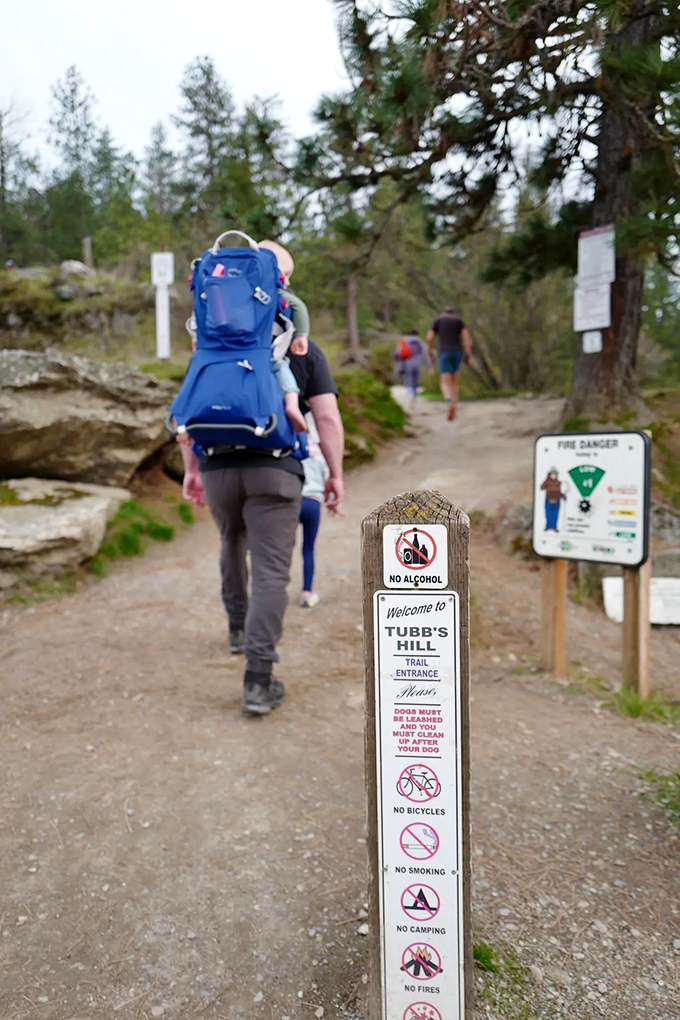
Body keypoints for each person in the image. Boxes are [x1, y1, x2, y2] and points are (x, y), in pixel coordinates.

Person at [179, 339, 345, 716]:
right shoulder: (301, 348)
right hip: (275, 468)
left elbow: (189, 413)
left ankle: (238, 629)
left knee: (231, 540)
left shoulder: (211, 343)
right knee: (271, 571)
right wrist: (335, 473)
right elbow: (327, 417)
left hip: (217, 468)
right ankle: (257, 680)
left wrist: (191, 470)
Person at [259, 239, 311, 433]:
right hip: (263, 355)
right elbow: (298, 306)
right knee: (280, 366)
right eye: (285, 274)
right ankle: (292, 404)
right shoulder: (274, 291)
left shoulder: (232, 289)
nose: (287, 282)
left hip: (228, 354)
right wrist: (301, 335)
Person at [298, 419, 329, 608]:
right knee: (308, 548)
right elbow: (327, 476)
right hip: (313, 503)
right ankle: (307, 592)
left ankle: (274, 589)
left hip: (292, 502)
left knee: (281, 548)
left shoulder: (290, 448)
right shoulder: (318, 452)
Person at [426, 305, 472, 421]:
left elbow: (429, 338)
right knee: (454, 381)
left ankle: (449, 401)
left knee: (445, 381)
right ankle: (454, 405)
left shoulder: (438, 320)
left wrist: (430, 352)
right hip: (457, 352)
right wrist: (468, 354)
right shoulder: (459, 320)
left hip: (444, 352)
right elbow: (466, 338)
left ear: (442, 312)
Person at [394, 330, 432, 410]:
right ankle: (414, 396)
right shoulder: (420, 342)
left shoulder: (404, 341)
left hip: (407, 364)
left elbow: (398, 354)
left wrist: (398, 368)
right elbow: (425, 356)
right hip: (418, 365)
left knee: (409, 379)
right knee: (415, 382)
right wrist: (429, 367)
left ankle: (410, 393)